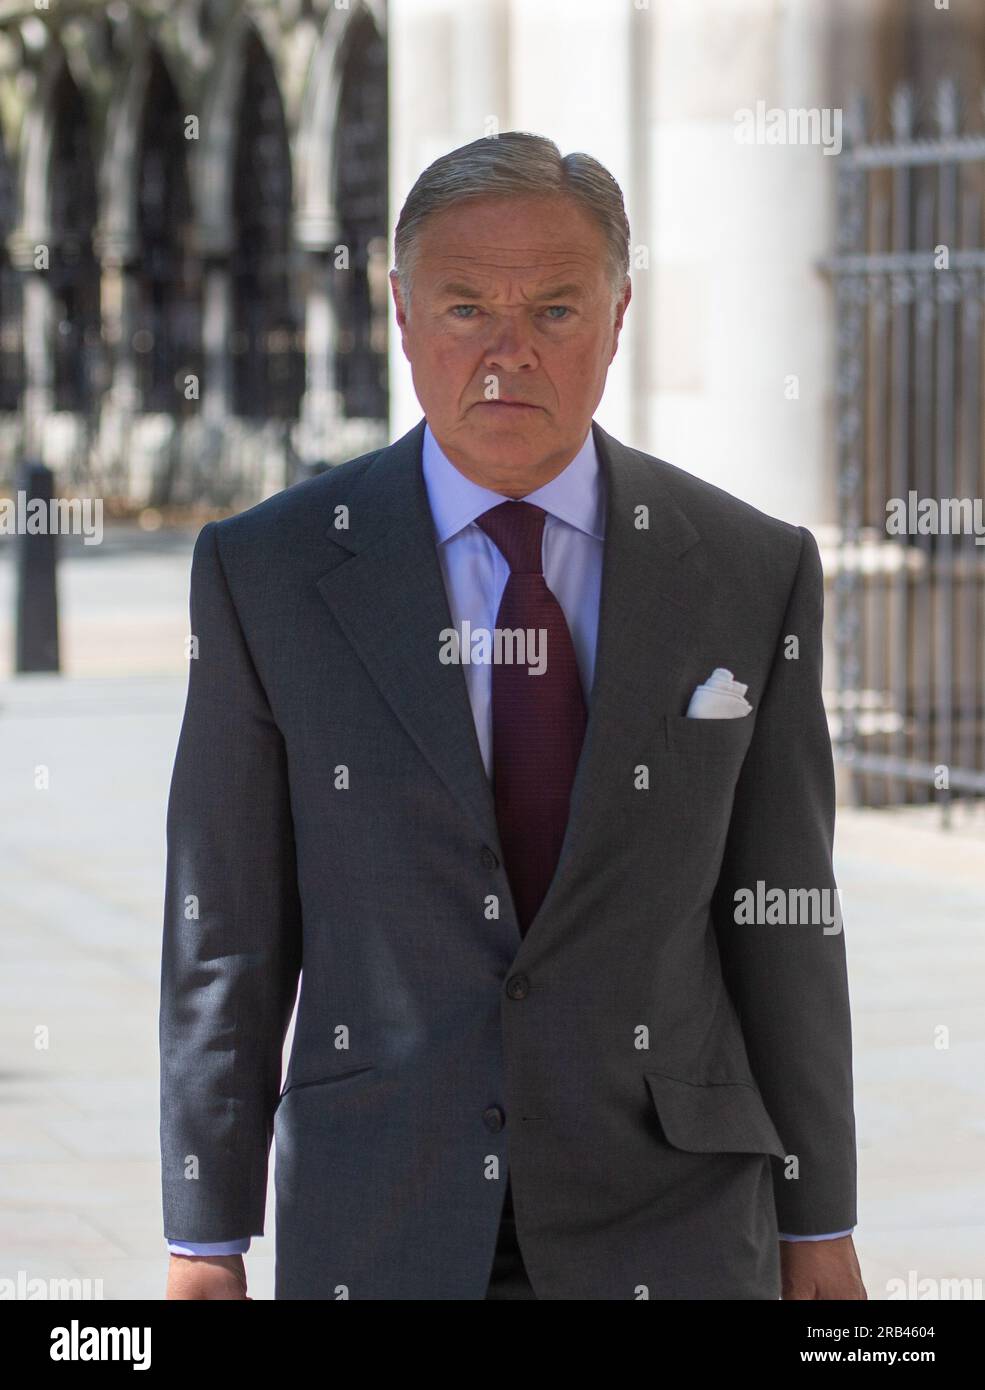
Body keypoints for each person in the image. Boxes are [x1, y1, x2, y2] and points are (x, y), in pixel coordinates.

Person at [162, 132, 865, 1300]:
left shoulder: (751, 568)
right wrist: (204, 1240)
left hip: (673, 1219)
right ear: (398, 313)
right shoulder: (266, 573)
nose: (506, 352)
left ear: (618, 315)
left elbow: (784, 921)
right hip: (380, 1209)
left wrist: (820, 1222)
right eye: (463, 308)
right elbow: (226, 929)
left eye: (552, 308)